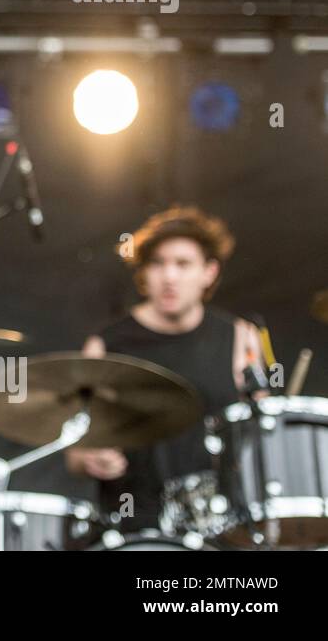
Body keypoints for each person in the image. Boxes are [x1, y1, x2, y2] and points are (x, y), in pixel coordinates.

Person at [66, 205, 265, 532]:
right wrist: (92, 458)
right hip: (136, 525)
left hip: (225, 526)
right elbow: (74, 454)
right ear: (144, 273)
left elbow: (262, 435)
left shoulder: (241, 338)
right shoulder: (105, 345)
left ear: (209, 272)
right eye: (158, 264)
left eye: (183, 264)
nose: (169, 276)